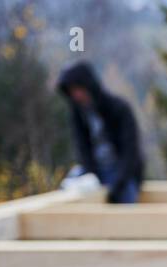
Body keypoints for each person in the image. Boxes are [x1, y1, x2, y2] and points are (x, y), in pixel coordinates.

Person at [56, 61, 144, 204]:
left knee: (125, 204)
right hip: (96, 170)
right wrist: (92, 175)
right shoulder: (78, 115)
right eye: (71, 91)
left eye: (78, 89)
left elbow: (130, 152)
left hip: (122, 171)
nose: (76, 95)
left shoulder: (119, 108)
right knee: (67, 191)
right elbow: (82, 149)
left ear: (88, 85)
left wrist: (118, 184)